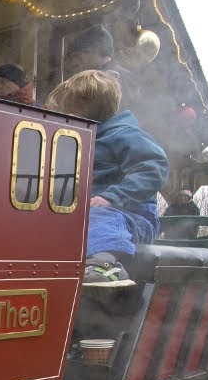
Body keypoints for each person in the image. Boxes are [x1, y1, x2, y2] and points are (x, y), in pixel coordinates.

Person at [45, 70, 168, 286]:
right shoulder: (78, 142)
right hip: (90, 216)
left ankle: (106, 266)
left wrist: (114, 197)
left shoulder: (124, 134)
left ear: (83, 109)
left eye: (67, 113)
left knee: (101, 216)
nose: (63, 120)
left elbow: (153, 167)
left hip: (132, 217)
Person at [64, 24, 140, 100]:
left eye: (77, 56)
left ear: (94, 52)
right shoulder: (121, 76)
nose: (74, 62)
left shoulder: (111, 79)